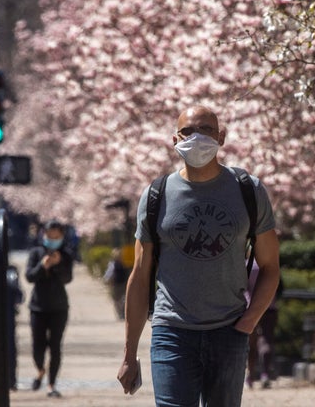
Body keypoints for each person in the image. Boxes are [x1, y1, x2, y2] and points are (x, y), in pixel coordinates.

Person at [117, 105, 280, 407]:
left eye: (205, 129)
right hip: (172, 332)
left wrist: (247, 323)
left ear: (221, 136)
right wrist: (129, 354)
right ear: (174, 139)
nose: (197, 137)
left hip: (228, 331)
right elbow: (139, 276)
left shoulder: (248, 190)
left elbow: (270, 267)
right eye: (188, 131)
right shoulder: (157, 195)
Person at [25, 219, 74, 399]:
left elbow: (68, 278)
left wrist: (58, 264)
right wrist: (42, 266)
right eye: (49, 236)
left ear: (61, 236)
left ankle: (51, 385)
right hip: (38, 307)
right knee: (37, 346)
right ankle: (40, 370)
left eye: (57, 236)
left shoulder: (66, 255)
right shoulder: (36, 253)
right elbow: (29, 276)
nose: (53, 239)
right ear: (43, 235)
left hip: (59, 308)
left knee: (55, 347)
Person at [245, 259, 281, 389]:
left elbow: (242, 289)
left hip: (250, 308)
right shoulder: (270, 264)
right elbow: (279, 286)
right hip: (269, 307)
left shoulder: (246, 265)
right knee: (266, 340)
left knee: (251, 343)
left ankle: (250, 375)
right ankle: (265, 373)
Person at [103, 247, 130, 320]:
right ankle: (120, 313)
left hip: (121, 284)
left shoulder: (123, 263)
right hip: (117, 284)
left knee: (121, 300)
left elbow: (108, 275)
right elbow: (109, 274)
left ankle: (121, 313)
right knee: (118, 300)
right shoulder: (113, 264)